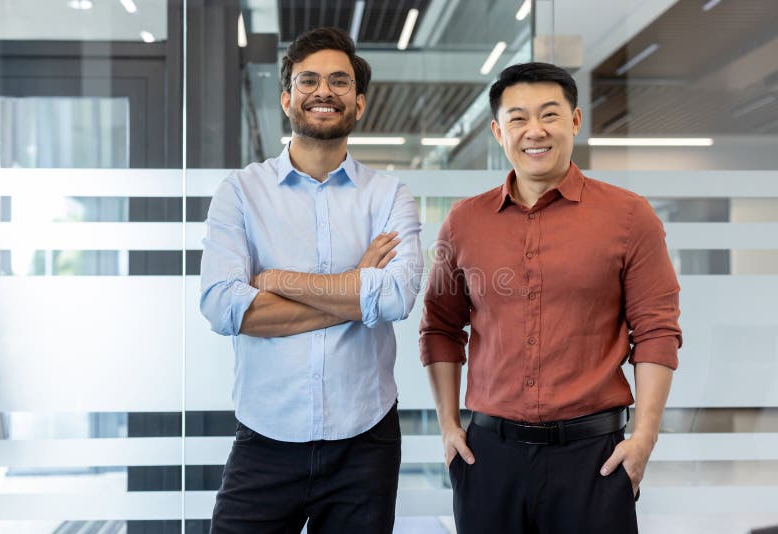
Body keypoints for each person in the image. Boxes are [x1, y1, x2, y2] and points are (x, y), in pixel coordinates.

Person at [419, 62, 682, 533]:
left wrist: (643, 439)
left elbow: (657, 331)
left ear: (575, 121)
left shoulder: (629, 217)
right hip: (488, 456)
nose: (534, 131)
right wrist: (448, 426)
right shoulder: (464, 222)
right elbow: (440, 326)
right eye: (518, 118)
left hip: (593, 460)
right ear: (499, 131)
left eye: (550, 115)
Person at [200, 26, 423, 534]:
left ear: (359, 104)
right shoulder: (240, 192)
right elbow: (221, 306)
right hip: (265, 437)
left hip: (365, 442)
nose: (324, 91)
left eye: (340, 81)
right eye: (309, 80)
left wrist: (276, 280)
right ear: (287, 99)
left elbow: (396, 295)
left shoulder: (389, 195)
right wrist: (355, 284)